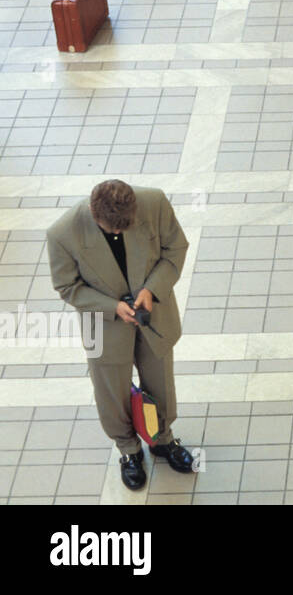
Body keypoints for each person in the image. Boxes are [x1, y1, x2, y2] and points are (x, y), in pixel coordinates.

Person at [47, 180, 194, 490]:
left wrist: (151, 290)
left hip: (153, 314)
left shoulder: (154, 202)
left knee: (160, 381)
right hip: (103, 323)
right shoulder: (62, 233)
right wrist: (112, 307)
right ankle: (128, 450)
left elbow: (175, 248)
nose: (120, 234)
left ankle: (162, 439)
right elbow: (67, 287)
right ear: (92, 211)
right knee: (111, 393)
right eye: (112, 230)